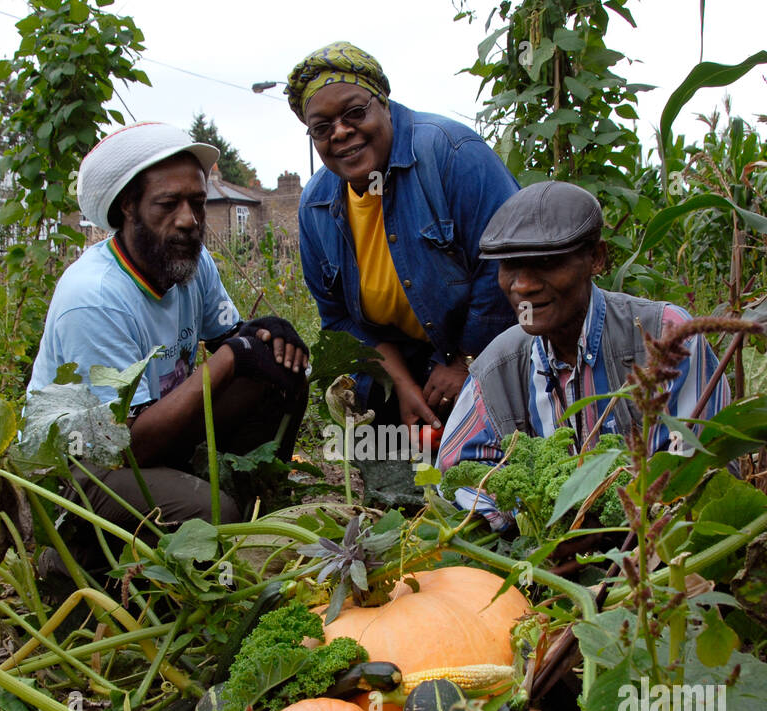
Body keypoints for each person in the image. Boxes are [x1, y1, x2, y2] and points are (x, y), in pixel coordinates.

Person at [26, 122, 310, 579]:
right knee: (214, 515)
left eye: (196, 203)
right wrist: (233, 355)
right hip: (88, 461)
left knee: (279, 371)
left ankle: (260, 498)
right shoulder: (94, 296)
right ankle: (75, 553)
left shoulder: (190, 261)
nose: (188, 219)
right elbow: (126, 444)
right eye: (167, 204)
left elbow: (231, 338)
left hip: (154, 430)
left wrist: (264, 336)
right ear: (128, 208)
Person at [436, 181, 731, 529]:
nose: (523, 285)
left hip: (661, 557)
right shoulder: (497, 365)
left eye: (546, 262)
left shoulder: (665, 338)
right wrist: (535, 517)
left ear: (596, 258)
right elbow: (457, 473)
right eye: (510, 265)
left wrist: (606, 522)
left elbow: (699, 469)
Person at [289, 42, 519, 431]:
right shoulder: (316, 207)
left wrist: (464, 359)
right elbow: (340, 318)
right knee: (379, 422)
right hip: (402, 356)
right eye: (322, 128)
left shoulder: (452, 154)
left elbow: (508, 261)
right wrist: (403, 385)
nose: (341, 133)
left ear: (383, 102)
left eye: (355, 113)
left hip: (485, 343)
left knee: (484, 438)